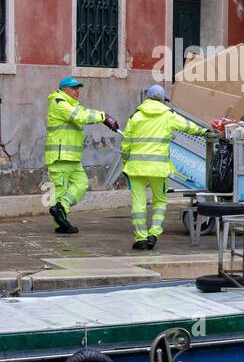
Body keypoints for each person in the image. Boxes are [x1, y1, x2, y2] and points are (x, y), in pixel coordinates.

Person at [121, 85, 208, 251]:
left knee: (138, 203)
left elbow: (126, 144)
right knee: (159, 201)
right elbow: (189, 127)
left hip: (136, 168)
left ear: (147, 97)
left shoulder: (136, 116)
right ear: (162, 99)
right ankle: (154, 234)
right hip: (158, 169)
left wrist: (126, 162)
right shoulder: (168, 115)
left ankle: (140, 238)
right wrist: (205, 132)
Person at [45, 77, 118, 234]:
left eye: (78, 88)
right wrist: (103, 116)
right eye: (74, 88)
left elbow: (83, 113)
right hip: (61, 156)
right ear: (64, 89)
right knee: (60, 190)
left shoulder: (72, 105)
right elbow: (79, 116)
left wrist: (103, 118)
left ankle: (61, 209)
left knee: (82, 184)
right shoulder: (59, 103)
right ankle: (62, 223)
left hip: (72, 157)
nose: (77, 91)